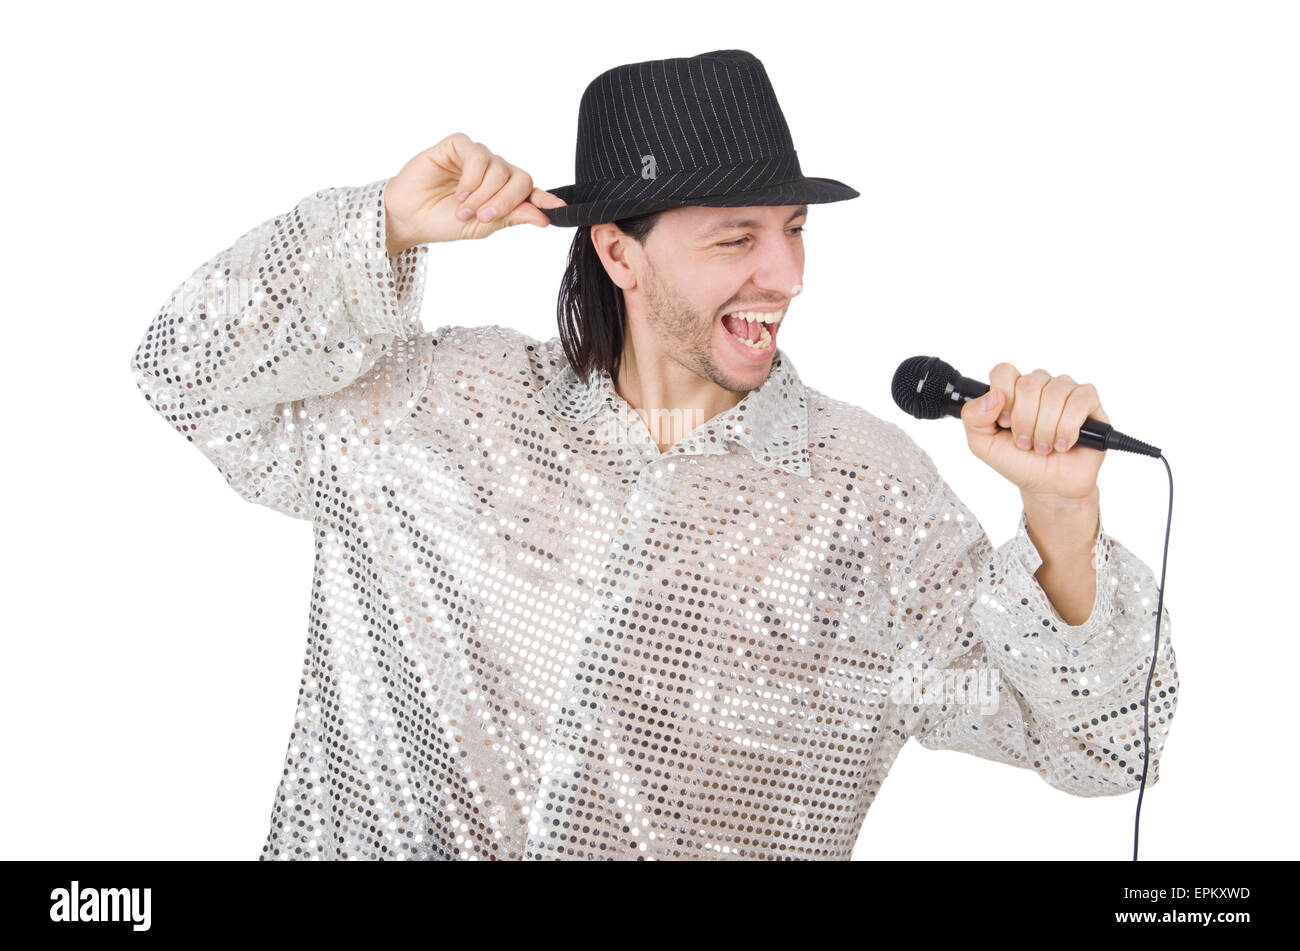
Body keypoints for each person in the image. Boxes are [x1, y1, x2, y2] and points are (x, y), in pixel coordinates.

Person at [130, 49, 1178, 860]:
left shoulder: (864, 499)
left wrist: (1063, 530)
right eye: (736, 238)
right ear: (618, 249)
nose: (787, 275)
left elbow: (1104, 747)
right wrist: (384, 228)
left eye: (794, 230)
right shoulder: (438, 410)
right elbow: (187, 371)